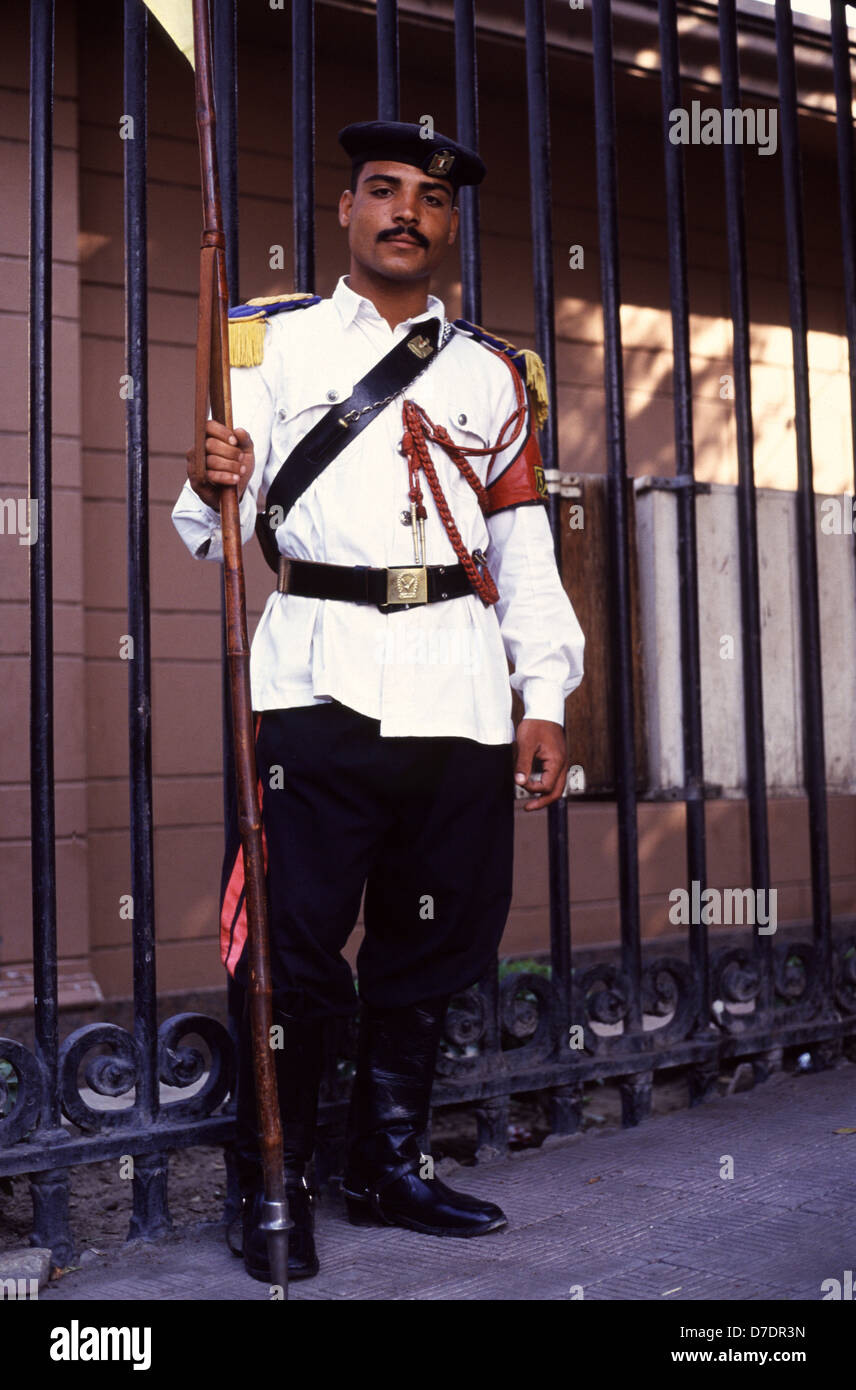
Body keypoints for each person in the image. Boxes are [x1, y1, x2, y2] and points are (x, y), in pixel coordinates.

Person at [172, 120, 585, 1284]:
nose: (407, 211)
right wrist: (212, 485)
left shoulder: (495, 371)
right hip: (317, 672)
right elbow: (210, 526)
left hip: (459, 684)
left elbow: (520, 544)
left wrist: (542, 692)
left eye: (433, 199)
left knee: (436, 940)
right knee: (293, 947)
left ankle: (387, 1163)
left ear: (452, 227)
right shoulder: (268, 344)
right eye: (384, 190)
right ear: (347, 210)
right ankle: (276, 1175)